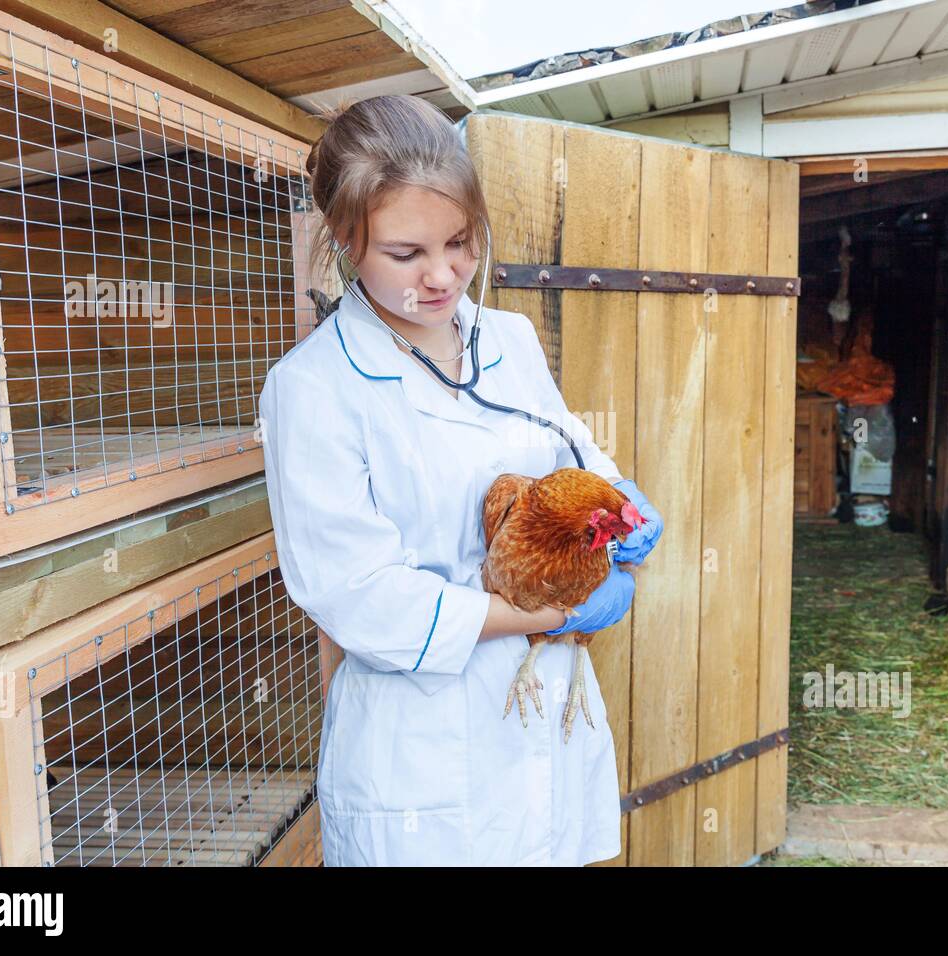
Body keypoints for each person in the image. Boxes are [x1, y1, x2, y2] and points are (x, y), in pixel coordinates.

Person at [258, 95, 664, 866]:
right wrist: (548, 612)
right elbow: (356, 594)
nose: (442, 275)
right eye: (406, 254)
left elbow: (571, 450)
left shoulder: (507, 339)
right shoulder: (311, 390)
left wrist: (621, 503)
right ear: (346, 240)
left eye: (460, 241)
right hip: (423, 747)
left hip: (545, 715)